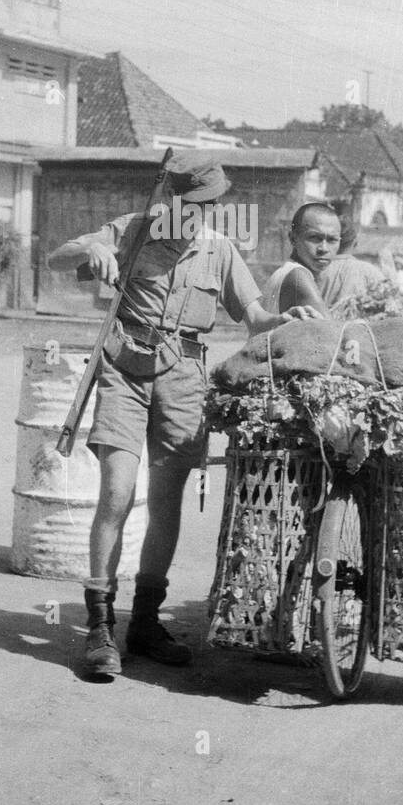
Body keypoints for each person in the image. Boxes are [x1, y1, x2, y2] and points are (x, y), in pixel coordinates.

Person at [47, 158, 322, 681]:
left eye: (211, 205)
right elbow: (59, 257)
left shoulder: (219, 250)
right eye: (192, 205)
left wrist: (285, 321)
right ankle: (100, 627)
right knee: (117, 492)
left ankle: (145, 624)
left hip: (185, 379)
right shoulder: (130, 231)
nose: (202, 214)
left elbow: (256, 318)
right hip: (125, 370)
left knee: (167, 498)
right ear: (168, 203)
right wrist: (93, 248)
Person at [259, 202, 338, 315]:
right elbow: (332, 331)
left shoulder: (287, 271)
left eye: (332, 240)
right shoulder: (297, 276)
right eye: (314, 238)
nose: (324, 248)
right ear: (293, 239)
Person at [315, 204, 389, 310]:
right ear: (355, 243)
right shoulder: (372, 273)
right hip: (361, 326)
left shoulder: (314, 272)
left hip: (320, 325)